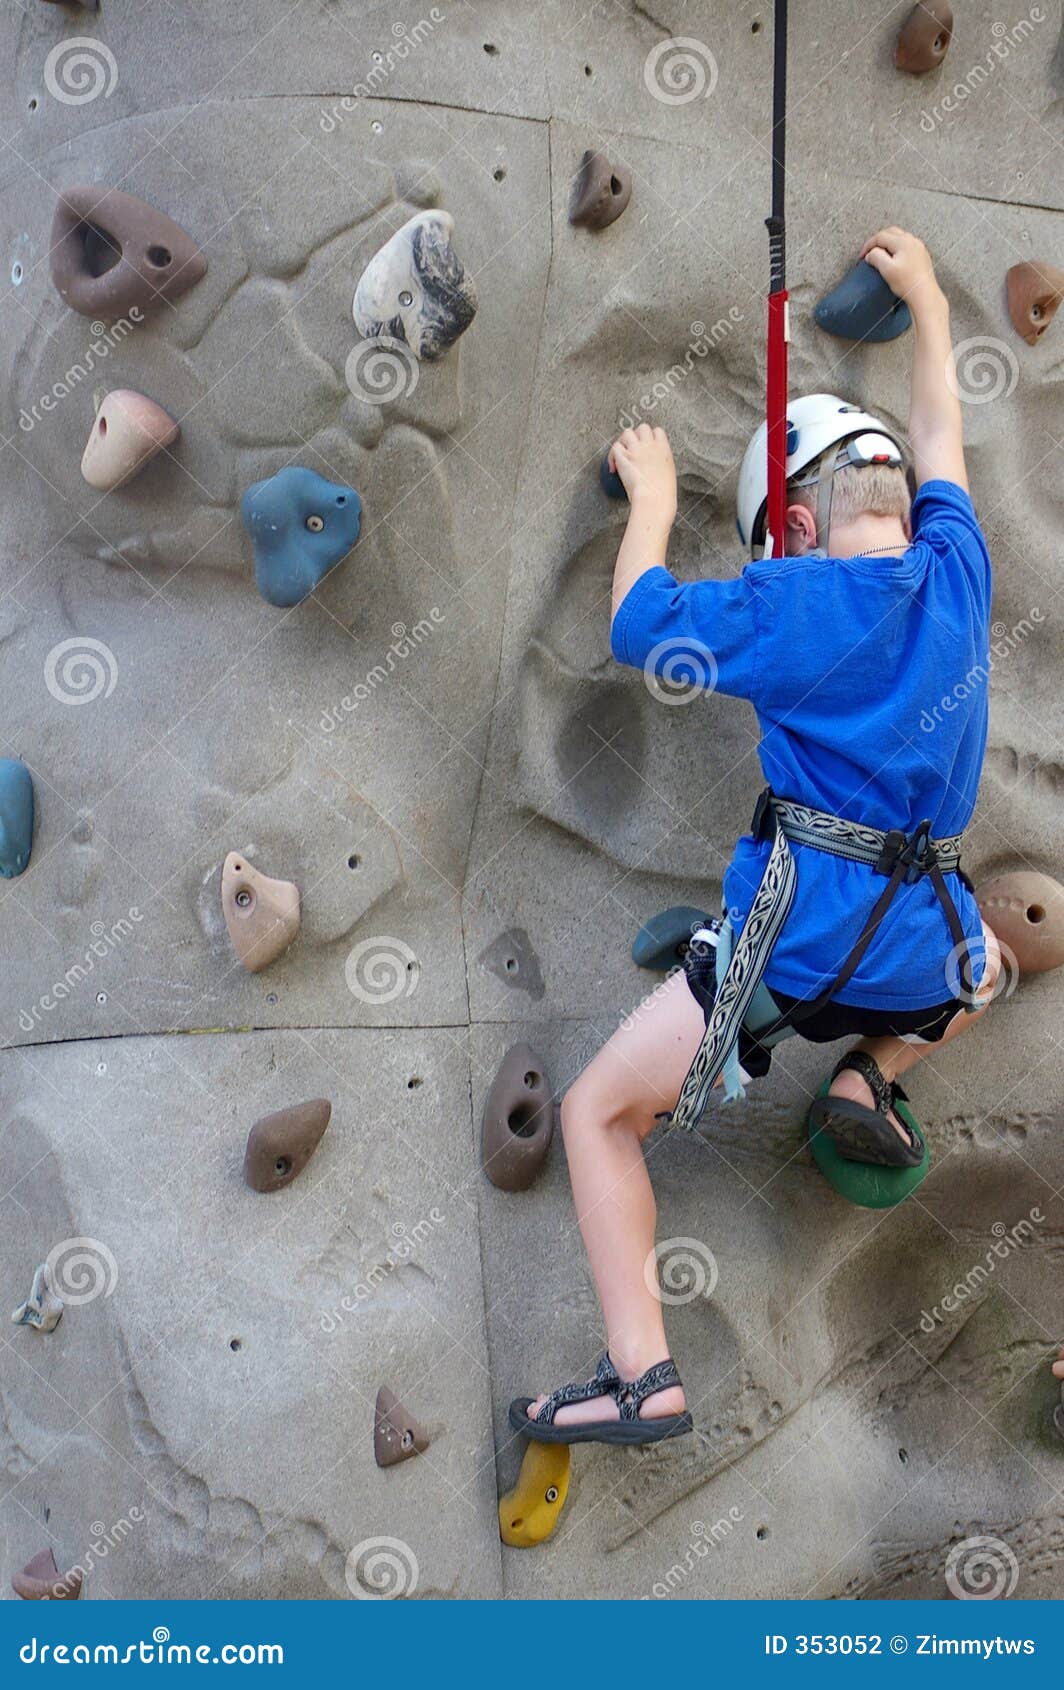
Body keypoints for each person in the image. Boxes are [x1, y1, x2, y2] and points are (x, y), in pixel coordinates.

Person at [508, 228, 1001, 1448]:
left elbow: (639, 625)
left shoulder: (790, 601)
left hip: (788, 951)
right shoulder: (957, 570)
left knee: (595, 1116)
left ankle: (643, 1378)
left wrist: (653, 501)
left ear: (790, 521)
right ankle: (868, 1074)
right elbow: (940, 430)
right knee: (985, 964)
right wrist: (928, 304)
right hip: (923, 954)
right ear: (889, 486)